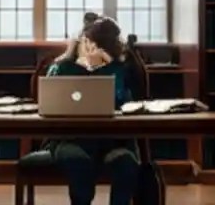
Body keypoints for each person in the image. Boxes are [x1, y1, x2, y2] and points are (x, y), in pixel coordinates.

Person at [44, 13, 142, 205]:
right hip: (70, 139)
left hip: (113, 140)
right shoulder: (65, 67)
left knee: (126, 162)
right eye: (86, 43)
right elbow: (48, 94)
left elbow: (131, 101)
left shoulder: (121, 69)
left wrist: (111, 65)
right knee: (76, 160)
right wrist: (66, 56)